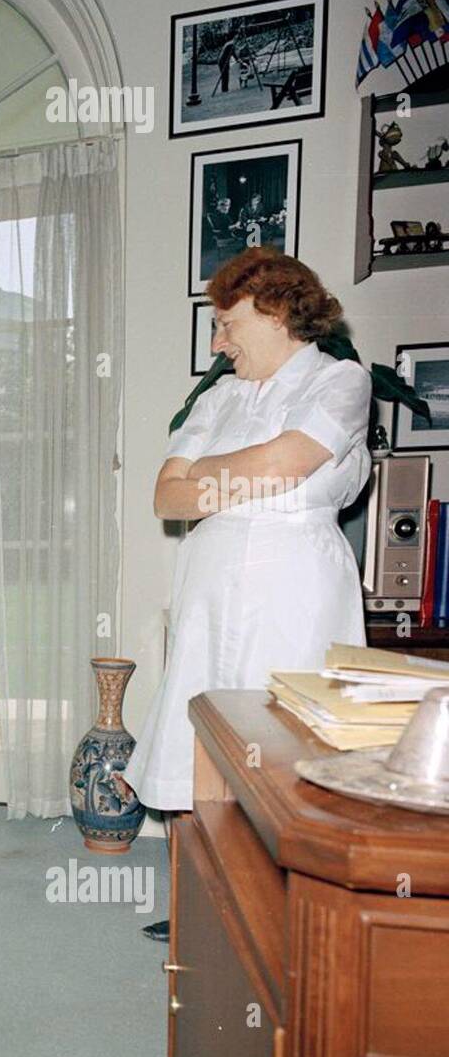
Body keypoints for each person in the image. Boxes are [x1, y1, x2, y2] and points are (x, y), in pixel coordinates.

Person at [124, 247, 371, 941]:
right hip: (210, 581)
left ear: (274, 310)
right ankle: (206, 907)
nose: (218, 341)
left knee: (284, 743)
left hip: (293, 583)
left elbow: (291, 460)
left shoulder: (341, 382)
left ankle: (284, 913)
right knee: (200, 734)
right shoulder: (225, 397)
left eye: (226, 323)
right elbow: (166, 497)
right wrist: (248, 475)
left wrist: (215, 475)